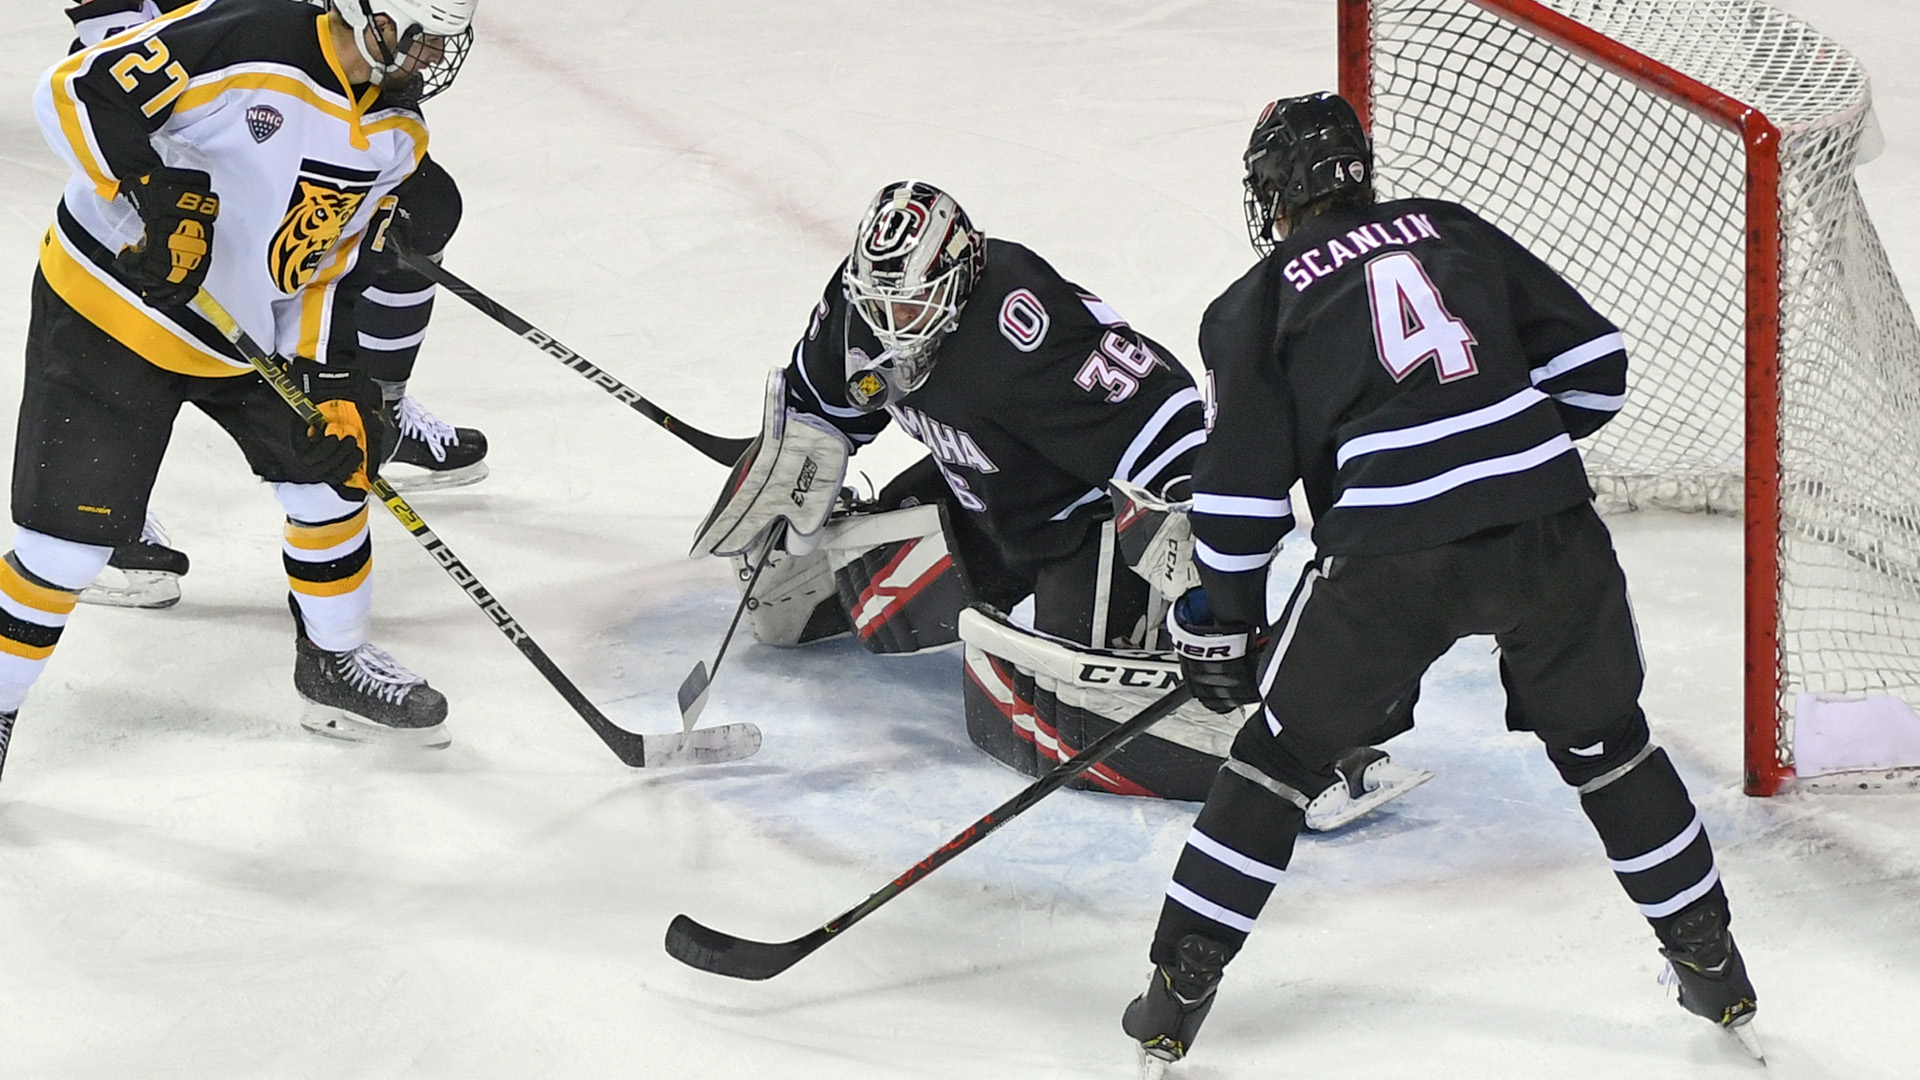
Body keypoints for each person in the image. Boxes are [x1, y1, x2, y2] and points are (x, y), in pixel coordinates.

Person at [1121, 93, 1759, 1074]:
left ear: (1272, 200)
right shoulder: (1449, 228)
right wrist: (1501, 450)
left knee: (1279, 760)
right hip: (1549, 536)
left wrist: (1224, 625)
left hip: (1389, 560)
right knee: (1608, 746)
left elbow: (1240, 503)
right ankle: (1711, 966)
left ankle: (1177, 989)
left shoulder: (1256, 301)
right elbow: (1595, 367)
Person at [689, 180, 1425, 814]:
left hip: (1081, 521)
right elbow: (817, 406)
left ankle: (1301, 749)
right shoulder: (859, 312)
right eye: (880, 303)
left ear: (957, 278)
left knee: (1065, 719)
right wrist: (792, 471)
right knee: (784, 604)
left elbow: (1166, 414)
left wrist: (1187, 517)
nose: (891, 327)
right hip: (985, 490)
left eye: (911, 306)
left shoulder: (1019, 325)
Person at [0, 0, 481, 781]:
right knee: (66, 548)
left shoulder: (397, 134)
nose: (428, 58)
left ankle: (334, 665)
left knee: (332, 479)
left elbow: (323, 264)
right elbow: (77, 89)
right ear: (367, 12)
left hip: (246, 331)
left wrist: (328, 381)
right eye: (418, 37)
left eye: (442, 44)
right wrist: (155, 190)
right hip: (115, 309)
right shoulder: (251, 38)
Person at [59, 1, 488, 612]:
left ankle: (378, 411)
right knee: (146, 288)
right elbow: (103, 81)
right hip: (196, 80)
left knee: (423, 207)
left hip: (295, 65)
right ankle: (99, 515)